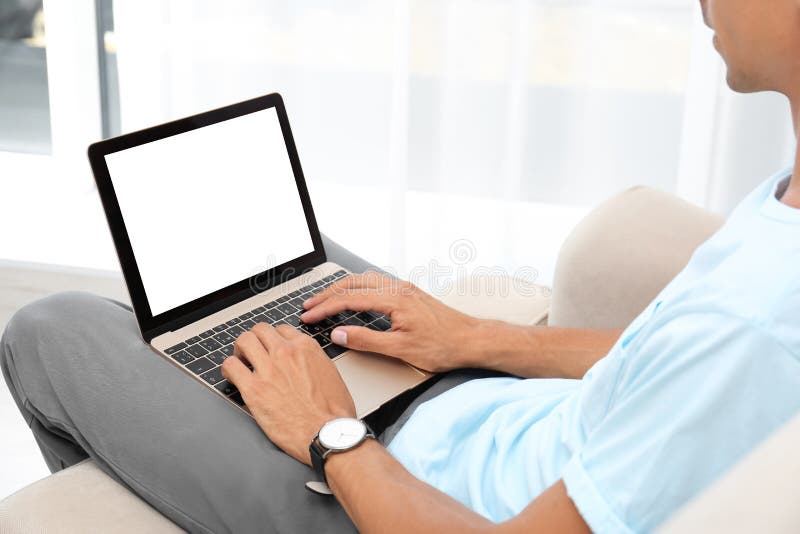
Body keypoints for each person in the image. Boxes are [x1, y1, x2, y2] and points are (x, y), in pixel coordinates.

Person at [3, 0, 800, 532]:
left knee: (51, 326)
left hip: (386, 503)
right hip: (477, 425)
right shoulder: (785, 214)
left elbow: (724, 350)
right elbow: (667, 359)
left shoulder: (759, 322)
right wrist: (471, 337)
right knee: (298, 275)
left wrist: (331, 432)